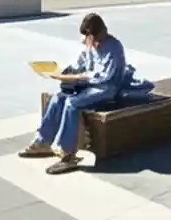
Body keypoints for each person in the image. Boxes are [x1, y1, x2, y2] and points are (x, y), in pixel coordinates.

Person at [18, 13, 127, 175]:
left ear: (102, 31)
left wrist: (76, 78)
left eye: (93, 37)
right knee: (58, 98)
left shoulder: (114, 47)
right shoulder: (90, 44)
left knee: (72, 103)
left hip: (106, 88)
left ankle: (68, 154)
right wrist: (64, 72)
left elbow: (103, 77)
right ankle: (43, 141)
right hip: (87, 85)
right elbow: (80, 64)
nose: (91, 41)